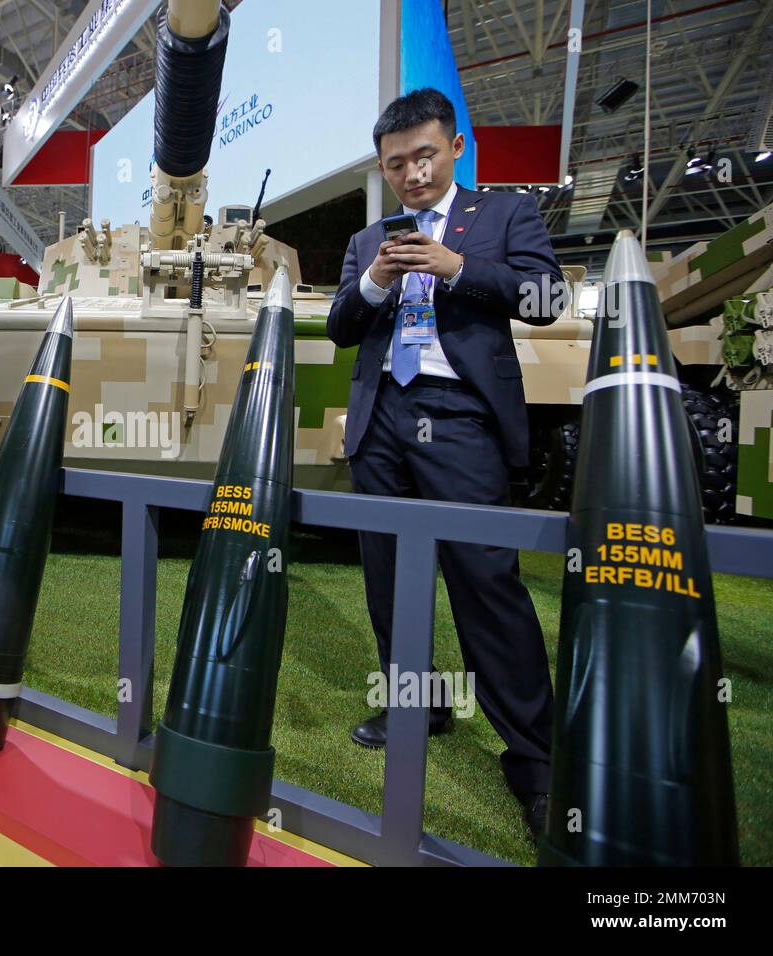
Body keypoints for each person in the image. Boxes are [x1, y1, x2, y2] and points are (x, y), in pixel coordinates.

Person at [326, 88, 561, 839]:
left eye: (423, 156)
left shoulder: (504, 216)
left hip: (461, 421)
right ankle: (417, 706)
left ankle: (537, 759)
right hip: (382, 422)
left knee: (486, 582)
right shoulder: (369, 241)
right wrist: (377, 283)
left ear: (455, 147)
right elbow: (339, 326)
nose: (412, 174)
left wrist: (456, 266)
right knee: (391, 580)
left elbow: (546, 297)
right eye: (396, 164)